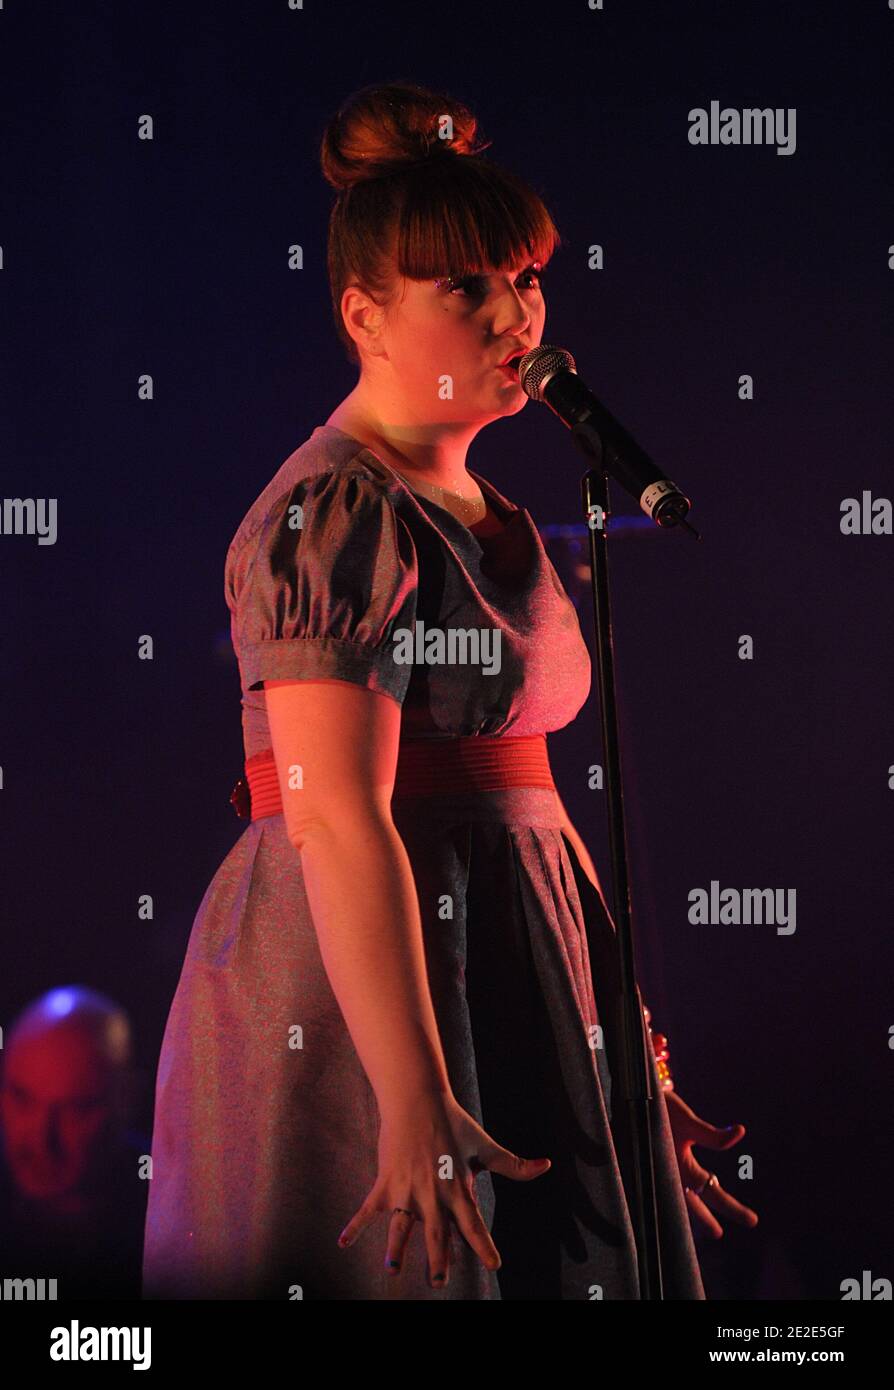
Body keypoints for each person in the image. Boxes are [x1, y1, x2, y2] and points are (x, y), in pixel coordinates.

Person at [142, 79, 757, 1301]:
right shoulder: (337, 512)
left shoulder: (500, 513)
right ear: (366, 316)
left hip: (517, 962)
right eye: (464, 287)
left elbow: (535, 822)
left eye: (523, 279)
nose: (513, 311)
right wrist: (412, 1095)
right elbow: (333, 813)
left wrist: (630, 1065)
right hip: (362, 996)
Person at [0, 987, 149, 1299]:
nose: (42, 1138)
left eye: (76, 1110)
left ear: (127, 1100)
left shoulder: (176, 1211)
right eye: (21, 1098)